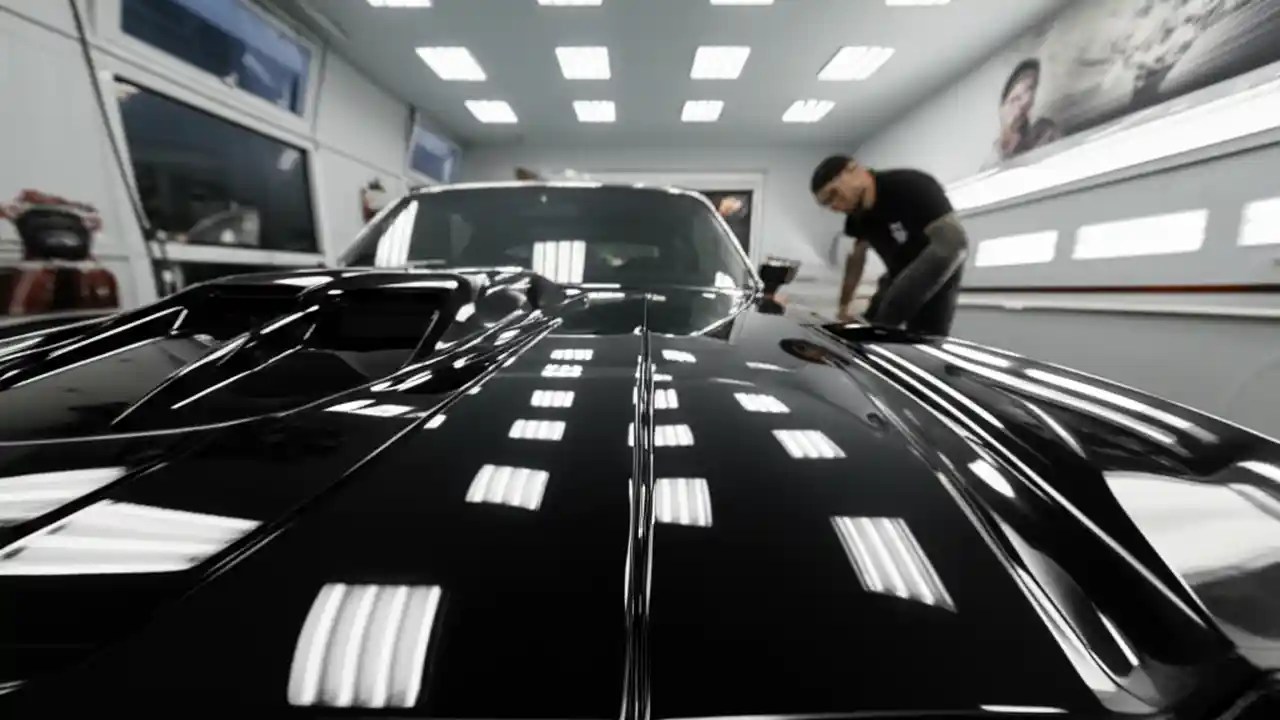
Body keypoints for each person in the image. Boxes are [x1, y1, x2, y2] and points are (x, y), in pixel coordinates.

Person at [811, 156, 969, 335]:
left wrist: (890, 313)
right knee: (868, 331)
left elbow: (953, 244)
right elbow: (857, 257)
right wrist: (844, 306)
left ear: (854, 170)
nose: (836, 206)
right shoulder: (857, 216)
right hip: (896, 275)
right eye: (827, 204)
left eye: (834, 194)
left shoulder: (912, 186)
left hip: (938, 277)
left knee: (920, 342)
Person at [981, 58, 1060, 171]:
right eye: (1015, 99)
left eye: (1032, 88)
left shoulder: (1046, 132)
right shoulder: (994, 156)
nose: (1028, 97)